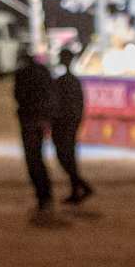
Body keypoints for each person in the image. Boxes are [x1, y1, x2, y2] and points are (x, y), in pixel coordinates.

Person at [12, 46, 63, 225]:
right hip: (40, 121)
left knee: (33, 161)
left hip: (29, 121)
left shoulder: (23, 74)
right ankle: (45, 198)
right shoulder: (43, 72)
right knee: (38, 160)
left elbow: (18, 96)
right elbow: (51, 96)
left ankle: (43, 199)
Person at [51, 46, 94, 206]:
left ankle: (80, 186)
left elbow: (62, 103)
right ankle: (77, 187)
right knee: (68, 156)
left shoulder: (64, 81)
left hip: (64, 123)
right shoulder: (70, 81)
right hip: (68, 123)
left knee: (65, 156)